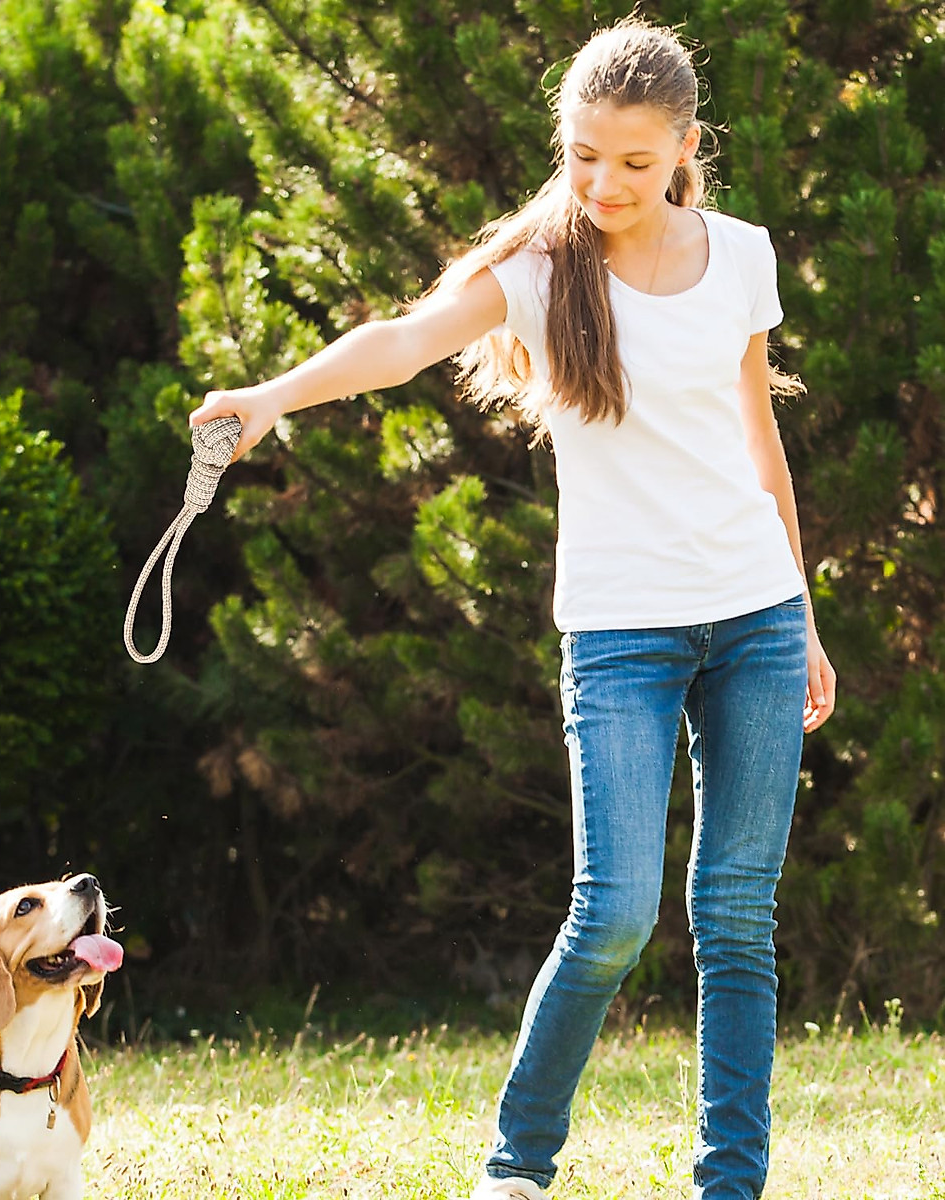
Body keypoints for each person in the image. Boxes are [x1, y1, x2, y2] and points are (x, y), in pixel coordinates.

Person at [190, 16, 836, 1199]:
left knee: (737, 920)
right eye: (583, 154)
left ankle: (730, 1184)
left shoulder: (741, 253)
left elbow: (761, 441)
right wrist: (275, 397)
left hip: (755, 613)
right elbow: (401, 341)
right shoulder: (541, 272)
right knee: (614, 916)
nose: (604, 183)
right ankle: (517, 1168)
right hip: (622, 632)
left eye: (635, 162)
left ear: (687, 146)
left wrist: (805, 613)